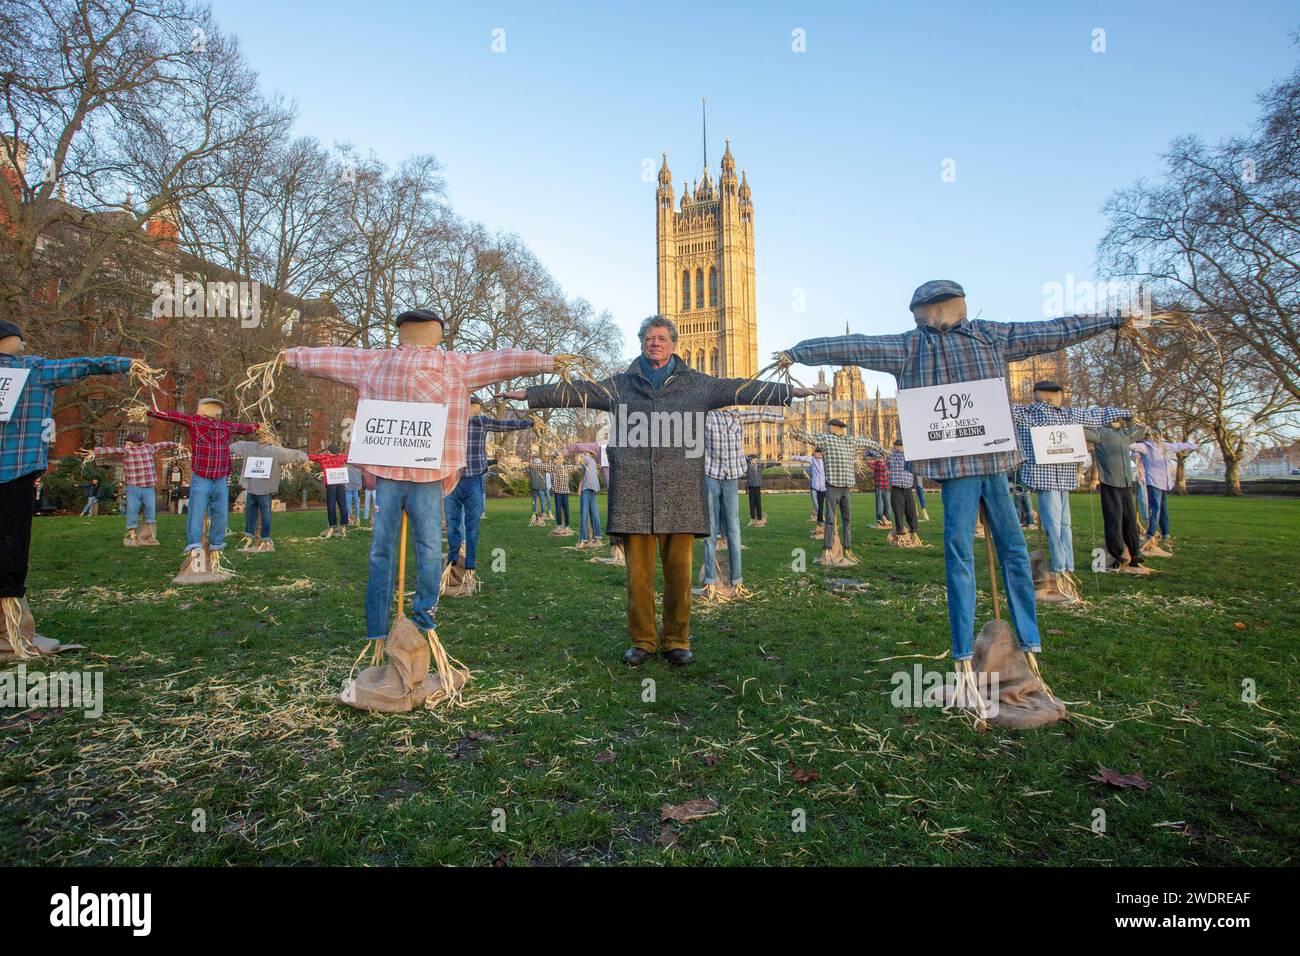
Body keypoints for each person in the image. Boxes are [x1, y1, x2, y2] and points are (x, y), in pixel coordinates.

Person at [779, 278, 1144, 697]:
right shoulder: (960, 340)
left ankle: (1023, 648)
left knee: (998, 552)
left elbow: (1057, 330)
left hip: (985, 464)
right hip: (968, 468)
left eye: (920, 312)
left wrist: (1113, 319)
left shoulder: (967, 339)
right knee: (979, 554)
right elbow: (852, 346)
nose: (917, 319)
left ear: (933, 309)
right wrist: (799, 352)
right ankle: (969, 656)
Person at [505, 315, 810, 666]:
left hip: (680, 493)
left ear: (674, 344)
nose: (656, 343)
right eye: (650, 338)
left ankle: (677, 640)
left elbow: (740, 388)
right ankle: (643, 641)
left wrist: (789, 392)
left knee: (679, 575)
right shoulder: (620, 385)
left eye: (662, 338)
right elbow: (578, 392)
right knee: (639, 578)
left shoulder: (698, 385)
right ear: (641, 342)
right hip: (634, 492)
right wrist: (531, 395)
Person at [282, 308, 561, 648]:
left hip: (416, 474)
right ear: (435, 333)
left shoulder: (388, 362)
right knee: (419, 548)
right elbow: (506, 361)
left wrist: (293, 357)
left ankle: (408, 628)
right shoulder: (437, 364)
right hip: (409, 473)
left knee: (395, 549)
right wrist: (549, 361)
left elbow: (332, 358)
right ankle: (399, 629)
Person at [0, 320, 133, 655]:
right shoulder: (32, 369)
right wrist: (125, 364)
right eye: (20, 338)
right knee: (10, 555)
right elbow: (80, 366)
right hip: (13, 475)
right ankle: (11, 637)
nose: (24, 343)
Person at [1011, 380, 1132, 600]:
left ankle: (1064, 566)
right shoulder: (1038, 413)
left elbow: (1095, 416)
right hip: (1047, 476)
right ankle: (1061, 568)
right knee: (1057, 524)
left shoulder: (1040, 413)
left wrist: (1123, 413)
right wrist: (1125, 412)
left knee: (1060, 523)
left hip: (1056, 476)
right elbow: (1096, 415)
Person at [147, 398, 259, 573]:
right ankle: (198, 548)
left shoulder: (222, 426)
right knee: (201, 513)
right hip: (204, 478)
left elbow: (173, 416)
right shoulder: (201, 423)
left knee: (214, 514)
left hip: (219, 478)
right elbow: (173, 416)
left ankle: (213, 548)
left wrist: (257, 427)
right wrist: (152, 412)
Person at [697, 407, 786, 595]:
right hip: (711, 475)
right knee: (710, 530)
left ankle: (737, 581)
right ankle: (710, 582)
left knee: (734, 528)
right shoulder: (706, 416)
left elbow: (764, 415)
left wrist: (786, 409)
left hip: (731, 477)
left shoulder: (739, 415)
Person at [445, 396, 534, 570]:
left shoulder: (479, 421)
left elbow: (505, 425)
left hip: (469, 478)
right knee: (456, 522)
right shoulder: (453, 421)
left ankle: (467, 562)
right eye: (477, 407)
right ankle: (454, 557)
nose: (479, 410)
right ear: (470, 406)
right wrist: (530, 423)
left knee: (466, 523)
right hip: (455, 478)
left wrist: (528, 423)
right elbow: (505, 424)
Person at [790, 418, 885, 562]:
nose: (828, 429)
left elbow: (869, 443)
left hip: (846, 486)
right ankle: (828, 549)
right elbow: (810, 438)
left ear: (837, 428)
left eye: (830, 427)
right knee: (830, 519)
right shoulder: (827, 439)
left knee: (847, 519)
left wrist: (882, 451)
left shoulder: (850, 440)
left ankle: (847, 547)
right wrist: (794, 432)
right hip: (833, 485)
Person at [1083, 417, 1150, 573]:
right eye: (1113, 417)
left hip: (1126, 484)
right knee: (1114, 521)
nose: (1116, 420)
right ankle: (1117, 555)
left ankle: (1134, 555)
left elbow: (1142, 429)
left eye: (1118, 418)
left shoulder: (1125, 434)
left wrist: (1133, 419)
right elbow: (1083, 433)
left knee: (1130, 521)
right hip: (1110, 483)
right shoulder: (1100, 433)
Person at [92, 432, 178, 545]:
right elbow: (114, 450)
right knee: (132, 510)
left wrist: (175, 444)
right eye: (139, 444)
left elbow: (160, 444)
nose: (141, 445)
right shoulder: (128, 451)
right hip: (134, 487)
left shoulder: (148, 448)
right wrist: (96, 450)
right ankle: (131, 537)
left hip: (149, 487)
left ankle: (148, 538)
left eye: (142, 443)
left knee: (150, 512)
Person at [229, 437, 309, 551]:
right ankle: (262, 540)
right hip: (263, 488)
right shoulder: (273, 450)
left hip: (254, 487)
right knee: (263, 514)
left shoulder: (250, 447)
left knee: (253, 514)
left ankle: (257, 539)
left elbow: (234, 446)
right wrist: (303, 457)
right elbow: (291, 454)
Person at [1132, 431, 1200, 554]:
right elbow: (1132, 446)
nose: (1159, 438)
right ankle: (1150, 534)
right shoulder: (1146, 447)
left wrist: (1191, 445)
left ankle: (1166, 534)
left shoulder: (1163, 446)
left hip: (1163, 482)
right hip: (1153, 482)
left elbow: (1177, 446)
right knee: (1156, 509)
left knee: (1163, 509)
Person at [308, 444, 352, 537]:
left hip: (331, 484)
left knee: (331, 505)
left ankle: (333, 525)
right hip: (340, 483)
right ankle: (344, 524)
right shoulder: (341, 457)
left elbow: (311, 457)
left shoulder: (323, 458)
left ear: (328, 451)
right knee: (343, 505)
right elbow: (351, 457)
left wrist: (301, 455)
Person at [885, 438, 921, 544]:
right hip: (896, 488)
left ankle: (914, 533)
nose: (899, 447)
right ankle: (900, 534)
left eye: (901, 445)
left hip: (908, 488)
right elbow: (878, 454)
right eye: (898, 445)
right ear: (895, 446)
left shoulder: (910, 456)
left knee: (911, 510)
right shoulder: (890, 456)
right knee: (898, 511)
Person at [790, 448, 827, 530]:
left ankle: (821, 521)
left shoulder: (825, 461)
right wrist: (792, 457)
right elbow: (803, 458)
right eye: (814, 453)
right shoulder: (812, 460)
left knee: (821, 504)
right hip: (814, 486)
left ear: (820, 454)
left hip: (823, 487)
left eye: (816, 453)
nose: (814, 454)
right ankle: (820, 520)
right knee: (815, 501)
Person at [548, 452, 576, 533]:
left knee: (566, 509)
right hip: (557, 493)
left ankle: (567, 526)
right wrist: (531, 465)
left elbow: (577, 467)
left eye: (560, 459)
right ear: (555, 460)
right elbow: (540, 466)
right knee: (558, 509)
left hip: (565, 493)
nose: (559, 460)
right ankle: (559, 526)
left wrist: (583, 465)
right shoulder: (552, 467)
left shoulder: (566, 467)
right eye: (557, 459)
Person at [868, 453, 892, 528]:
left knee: (884, 505)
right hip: (882, 487)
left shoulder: (880, 463)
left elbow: (869, 462)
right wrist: (877, 459)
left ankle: (885, 521)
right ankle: (883, 522)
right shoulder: (880, 463)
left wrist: (878, 460)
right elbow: (868, 462)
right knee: (883, 505)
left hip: (883, 487)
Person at [744, 454, 767, 525]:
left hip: (757, 486)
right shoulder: (748, 465)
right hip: (750, 486)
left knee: (758, 503)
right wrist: (749, 459)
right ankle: (753, 519)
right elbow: (742, 459)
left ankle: (760, 519)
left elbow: (767, 463)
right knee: (751, 504)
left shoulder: (760, 466)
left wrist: (778, 463)